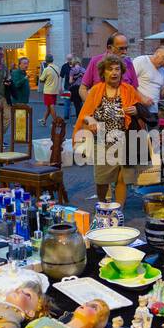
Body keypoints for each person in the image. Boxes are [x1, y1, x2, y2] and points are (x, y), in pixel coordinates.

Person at [76, 54, 145, 206]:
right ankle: (102, 206)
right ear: (103, 72)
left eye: (117, 69)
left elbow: (142, 109)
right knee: (102, 180)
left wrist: (137, 110)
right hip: (102, 141)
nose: (114, 72)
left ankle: (118, 210)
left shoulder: (129, 90)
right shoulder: (96, 90)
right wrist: (91, 119)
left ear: (121, 72)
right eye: (110, 69)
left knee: (122, 178)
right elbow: (85, 114)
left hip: (126, 140)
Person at [80, 33, 138, 101]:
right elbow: (83, 89)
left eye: (126, 48)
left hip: (124, 109)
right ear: (109, 48)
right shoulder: (95, 61)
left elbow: (134, 90)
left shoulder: (129, 63)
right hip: (99, 108)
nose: (125, 52)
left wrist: (135, 108)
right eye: (121, 49)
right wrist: (91, 105)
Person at [133, 44, 164, 125]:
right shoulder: (141, 61)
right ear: (156, 53)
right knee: (138, 137)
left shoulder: (162, 70)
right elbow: (127, 84)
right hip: (138, 112)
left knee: (152, 137)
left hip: (152, 113)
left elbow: (161, 95)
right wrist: (141, 97)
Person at [38, 55, 60, 127]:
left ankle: (55, 122)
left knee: (51, 106)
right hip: (55, 90)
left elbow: (41, 80)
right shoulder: (57, 67)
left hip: (48, 90)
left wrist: (40, 73)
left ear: (46, 60)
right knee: (49, 107)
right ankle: (44, 119)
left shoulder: (46, 69)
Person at [63, 56, 85, 121]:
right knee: (81, 103)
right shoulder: (83, 69)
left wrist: (76, 77)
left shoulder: (72, 70)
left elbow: (70, 81)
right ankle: (83, 117)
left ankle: (79, 120)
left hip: (74, 88)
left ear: (73, 62)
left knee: (77, 105)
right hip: (82, 88)